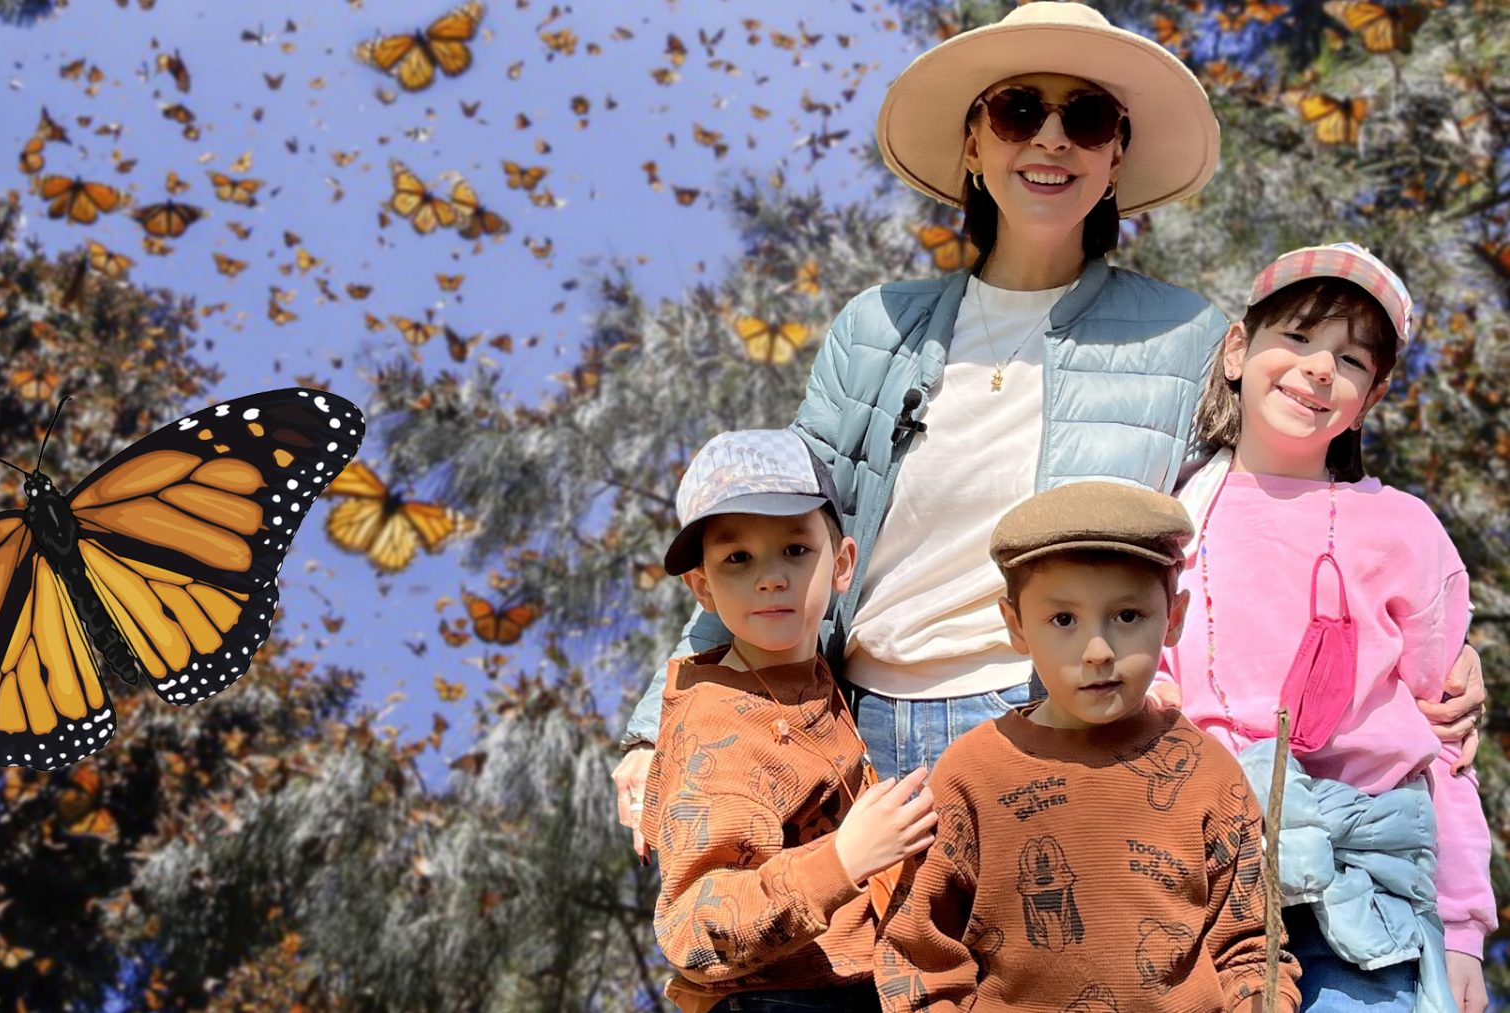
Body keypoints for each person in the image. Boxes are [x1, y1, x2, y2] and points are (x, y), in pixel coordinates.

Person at [613, 0, 1485, 859]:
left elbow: (1275, 510)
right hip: (852, 727)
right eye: (1019, 109)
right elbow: (775, 530)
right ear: (973, 144)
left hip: (1058, 720)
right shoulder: (878, 329)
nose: (1052, 138)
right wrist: (664, 721)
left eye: (1088, 116)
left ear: (1115, 157)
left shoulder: (1182, 338)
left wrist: (1434, 649)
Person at [1162, 244, 1495, 1013]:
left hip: (1366, 900)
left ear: (1370, 396)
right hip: (1202, 886)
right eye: (1301, 338)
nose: (1319, 369)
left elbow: (1443, 739)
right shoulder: (1171, 519)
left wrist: (1463, 926)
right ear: (1239, 350)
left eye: (1349, 359)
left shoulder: (1405, 531)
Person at [882, 481, 1298, 1013]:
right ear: (1015, 625)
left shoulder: (1208, 776)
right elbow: (920, 954)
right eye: (1063, 620)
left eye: (1127, 617)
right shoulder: (972, 775)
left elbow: (1248, 951)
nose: (1098, 651)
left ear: (1173, 619)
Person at [638, 429, 937, 1013]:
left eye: (796, 551)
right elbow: (691, 927)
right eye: (737, 558)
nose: (770, 577)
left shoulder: (804, 673)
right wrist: (843, 861)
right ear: (702, 587)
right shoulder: (719, 730)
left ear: (843, 564)